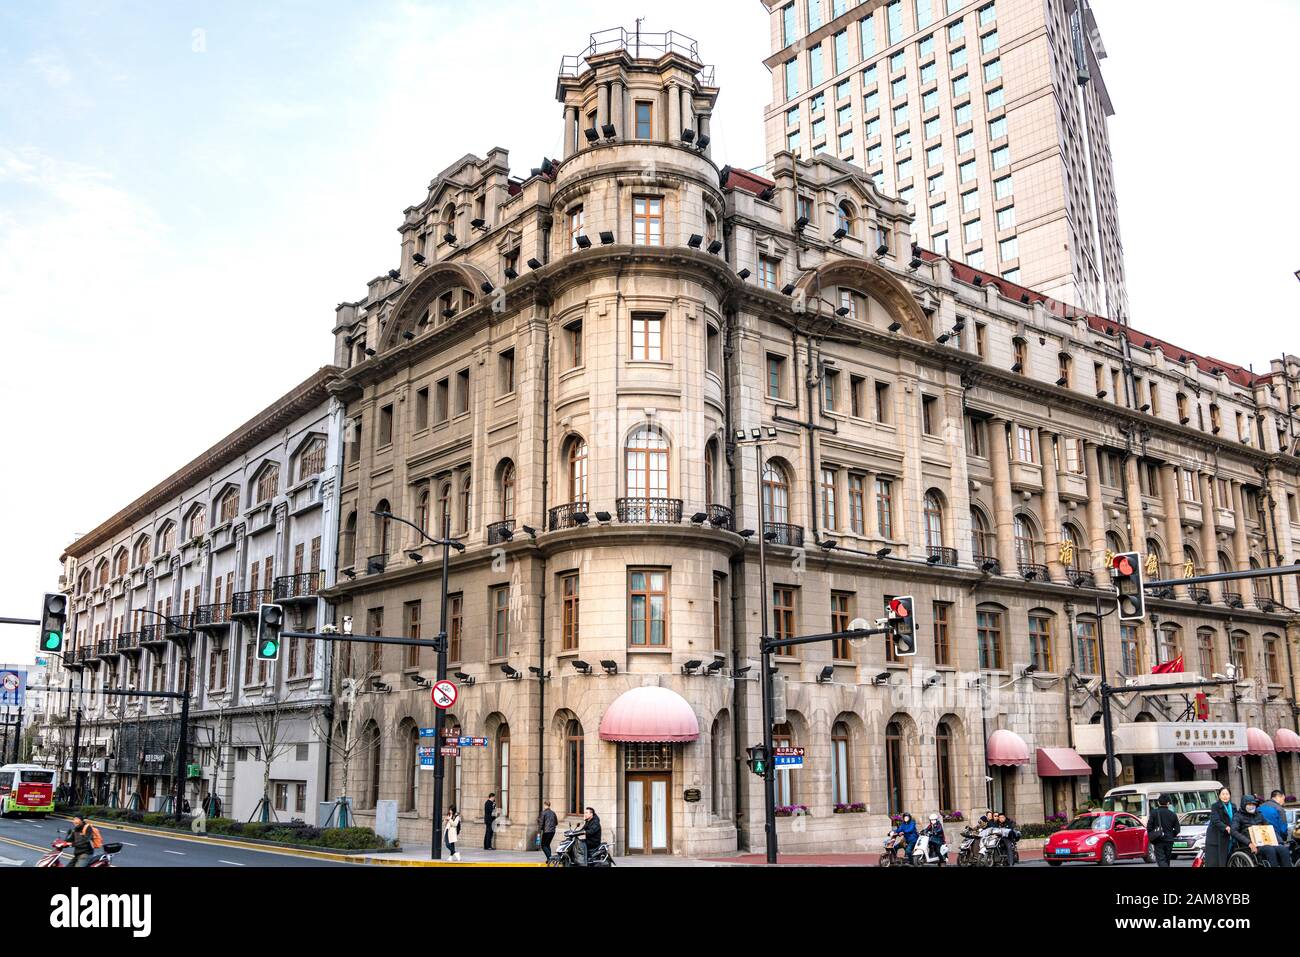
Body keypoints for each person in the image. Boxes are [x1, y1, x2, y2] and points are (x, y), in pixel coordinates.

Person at [1233, 794, 1290, 868]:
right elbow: (1233, 831)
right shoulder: (1238, 816)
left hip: (1264, 842)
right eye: (1249, 804)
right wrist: (1249, 843)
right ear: (1244, 805)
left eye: (1253, 804)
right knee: (1269, 849)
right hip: (1249, 845)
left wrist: (1279, 841)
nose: (1252, 806)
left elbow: (1270, 828)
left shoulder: (1259, 815)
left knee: (1283, 849)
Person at [1145, 793, 1180, 868]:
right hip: (1169, 841)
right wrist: (1171, 835)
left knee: (1161, 860)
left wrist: (1153, 835)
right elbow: (1177, 830)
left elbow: (1149, 827)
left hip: (1158, 840)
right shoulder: (1173, 814)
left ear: (1158, 802)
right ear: (1168, 803)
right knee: (1167, 860)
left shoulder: (1154, 813)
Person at [1260, 791, 1293, 866]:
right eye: (1283, 799)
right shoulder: (1279, 809)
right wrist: (1283, 839)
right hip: (1276, 840)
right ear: (1278, 797)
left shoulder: (1260, 807)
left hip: (1263, 839)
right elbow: (1283, 829)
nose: (1284, 802)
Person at [1205, 787, 1235, 867]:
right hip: (1216, 836)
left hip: (1229, 835)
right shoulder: (1215, 806)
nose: (1225, 796)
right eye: (1223, 794)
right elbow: (1216, 821)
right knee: (1216, 861)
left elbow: (1236, 819)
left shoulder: (1233, 806)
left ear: (1230, 795)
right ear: (1219, 796)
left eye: (1227, 794)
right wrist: (1226, 827)